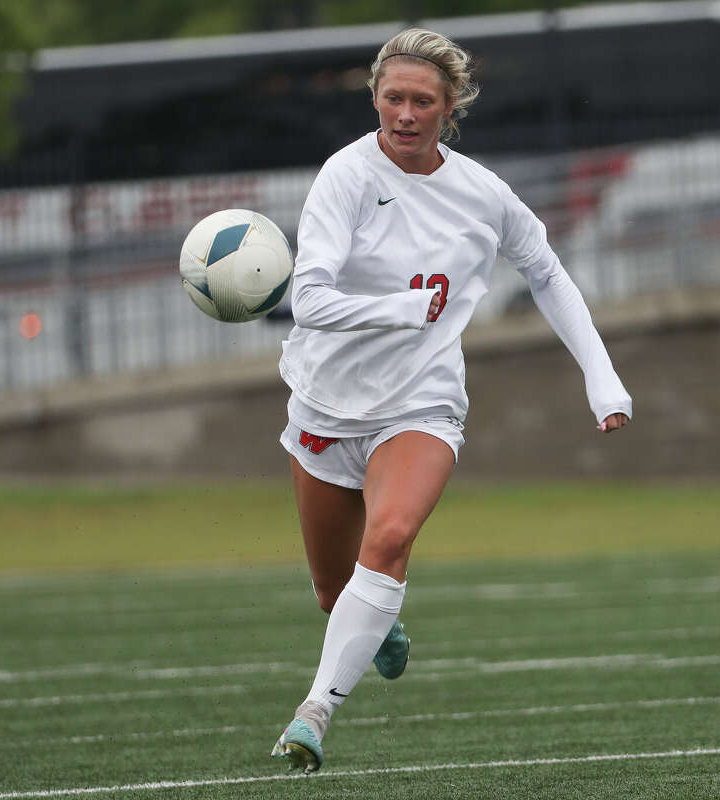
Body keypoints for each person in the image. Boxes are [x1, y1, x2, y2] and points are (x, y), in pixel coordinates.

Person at [270, 29, 632, 773]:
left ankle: (313, 714)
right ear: (375, 97)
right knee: (332, 591)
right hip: (325, 408)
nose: (405, 113)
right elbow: (307, 299)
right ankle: (379, 624)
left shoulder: (482, 193)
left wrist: (602, 376)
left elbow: (547, 272)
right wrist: (398, 309)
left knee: (392, 536)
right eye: (393, 97)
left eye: (422, 101)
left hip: (422, 405)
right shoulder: (343, 176)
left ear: (450, 106)